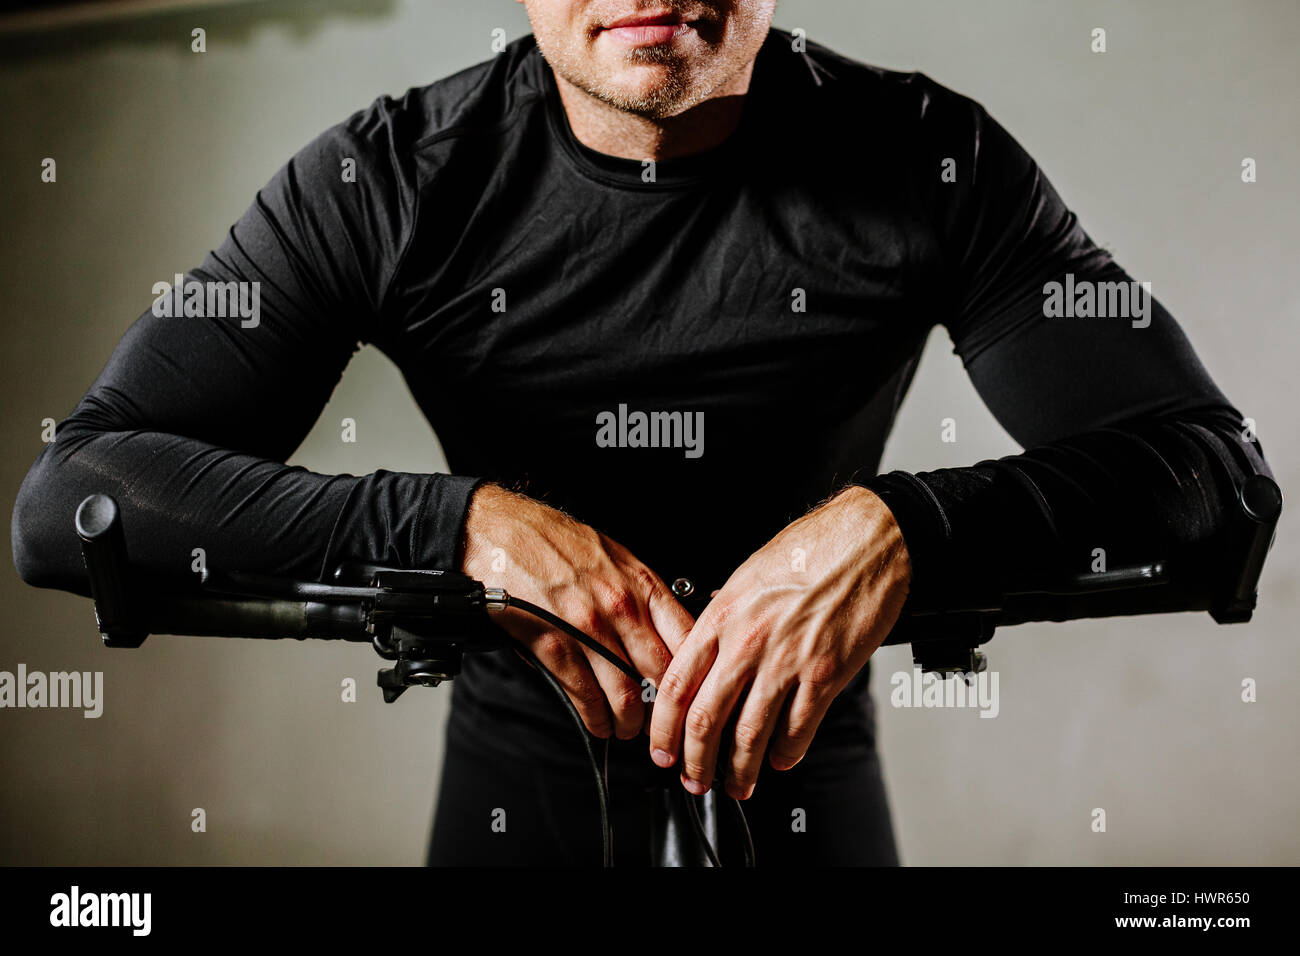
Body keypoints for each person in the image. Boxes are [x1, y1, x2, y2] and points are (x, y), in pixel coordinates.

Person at [11, 1, 1272, 866]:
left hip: (804, 780)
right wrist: (459, 527)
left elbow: (1214, 478)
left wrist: (904, 526)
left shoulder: (933, 159)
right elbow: (76, 493)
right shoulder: (387, 180)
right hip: (521, 782)